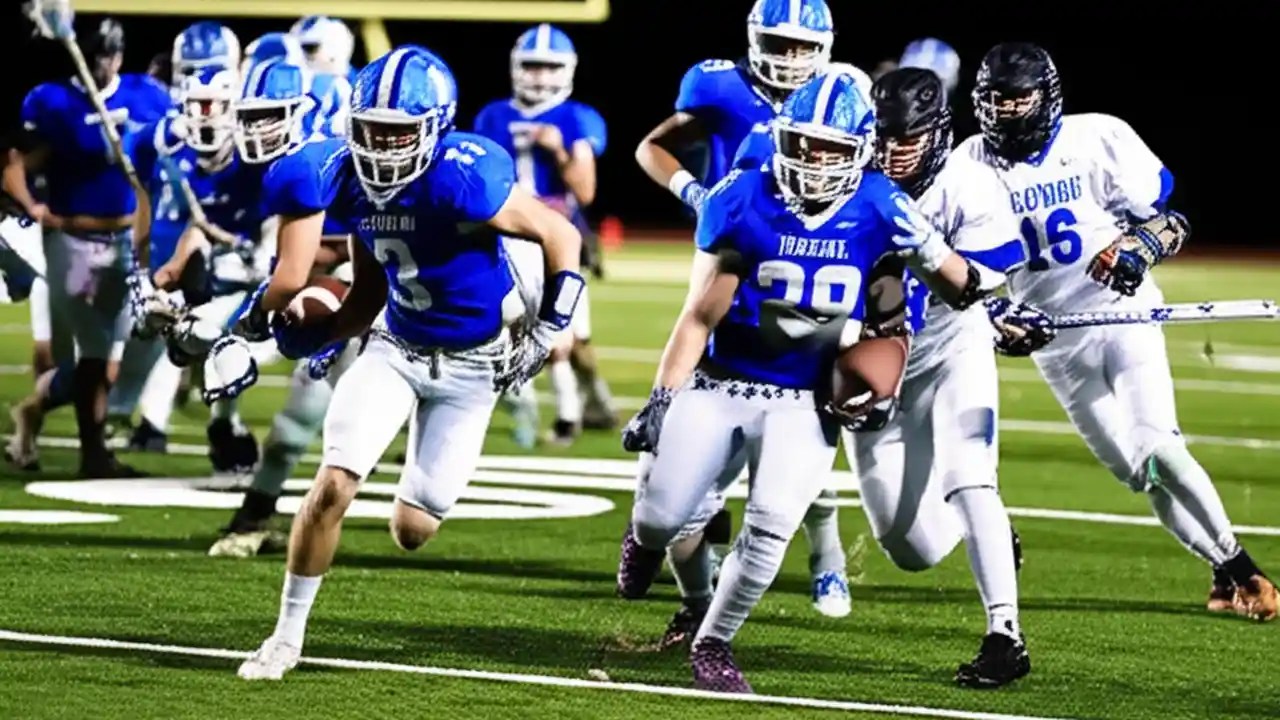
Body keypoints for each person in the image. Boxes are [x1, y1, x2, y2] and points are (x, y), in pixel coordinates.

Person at [623, 67, 983, 692]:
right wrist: (661, 398)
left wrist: (995, 301)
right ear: (780, 140)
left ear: (860, 153)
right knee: (660, 518)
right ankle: (645, 539)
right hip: (720, 382)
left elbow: (956, 279)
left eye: (832, 151)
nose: (815, 164)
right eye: (803, 147)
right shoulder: (743, 195)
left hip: (803, 398)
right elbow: (701, 314)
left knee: (769, 528)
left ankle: (714, 643)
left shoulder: (880, 203)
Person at [234, 46, 584, 680]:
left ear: (434, 129)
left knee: (414, 530)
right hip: (395, 348)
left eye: (398, 133)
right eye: (370, 131)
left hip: (473, 367)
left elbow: (562, 236)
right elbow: (370, 283)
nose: (382, 147)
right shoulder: (340, 176)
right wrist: (334, 332)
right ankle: (286, 636)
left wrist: (551, 326)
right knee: (333, 484)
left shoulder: (462, 176)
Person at [966, 42, 1276, 621]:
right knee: (1141, 476)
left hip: (1124, 317)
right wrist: (993, 320)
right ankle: (1220, 568)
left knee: (1158, 444)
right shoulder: (966, 165)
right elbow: (956, 273)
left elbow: (1170, 217)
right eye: (994, 101)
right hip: (1055, 340)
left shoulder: (1097, 137)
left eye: (1017, 100)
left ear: (1047, 96)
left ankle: (1242, 568)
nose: (1006, 112)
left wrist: (1142, 246)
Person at [622, 0, 860, 622]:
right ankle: (675, 540)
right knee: (706, 372)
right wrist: (694, 191)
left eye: (802, 47)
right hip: (735, 246)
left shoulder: (843, 96)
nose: (789, 59)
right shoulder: (719, 86)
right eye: (778, 44)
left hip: (811, 258)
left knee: (799, 406)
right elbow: (654, 148)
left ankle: (825, 555)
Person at [854, 67, 1054, 687]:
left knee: (971, 479)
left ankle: (1005, 635)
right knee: (907, 549)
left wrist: (1001, 314)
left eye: (905, 141)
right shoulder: (843, 181)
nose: (890, 154)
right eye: (881, 139)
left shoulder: (969, 184)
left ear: (936, 135)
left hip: (950, 354)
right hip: (871, 367)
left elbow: (985, 284)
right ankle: (987, 531)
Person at [2, 17, 171, 477]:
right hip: (71, 239)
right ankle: (93, 454)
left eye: (111, 55)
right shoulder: (52, 99)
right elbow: (15, 163)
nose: (104, 64)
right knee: (95, 353)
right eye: (97, 55)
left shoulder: (146, 96)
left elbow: (167, 153)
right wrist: (34, 208)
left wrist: (139, 147)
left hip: (125, 239)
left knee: (111, 360)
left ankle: (34, 410)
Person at [473, 23, 615, 449]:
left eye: (549, 67)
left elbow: (585, 191)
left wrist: (558, 149)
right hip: (508, 236)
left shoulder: (577, 117)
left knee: (575, 341)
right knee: (529, 327)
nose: (540, 76)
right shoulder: (492, 115)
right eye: (532, 66)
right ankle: (565, 416)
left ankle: (595, 397)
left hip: (557, 237)